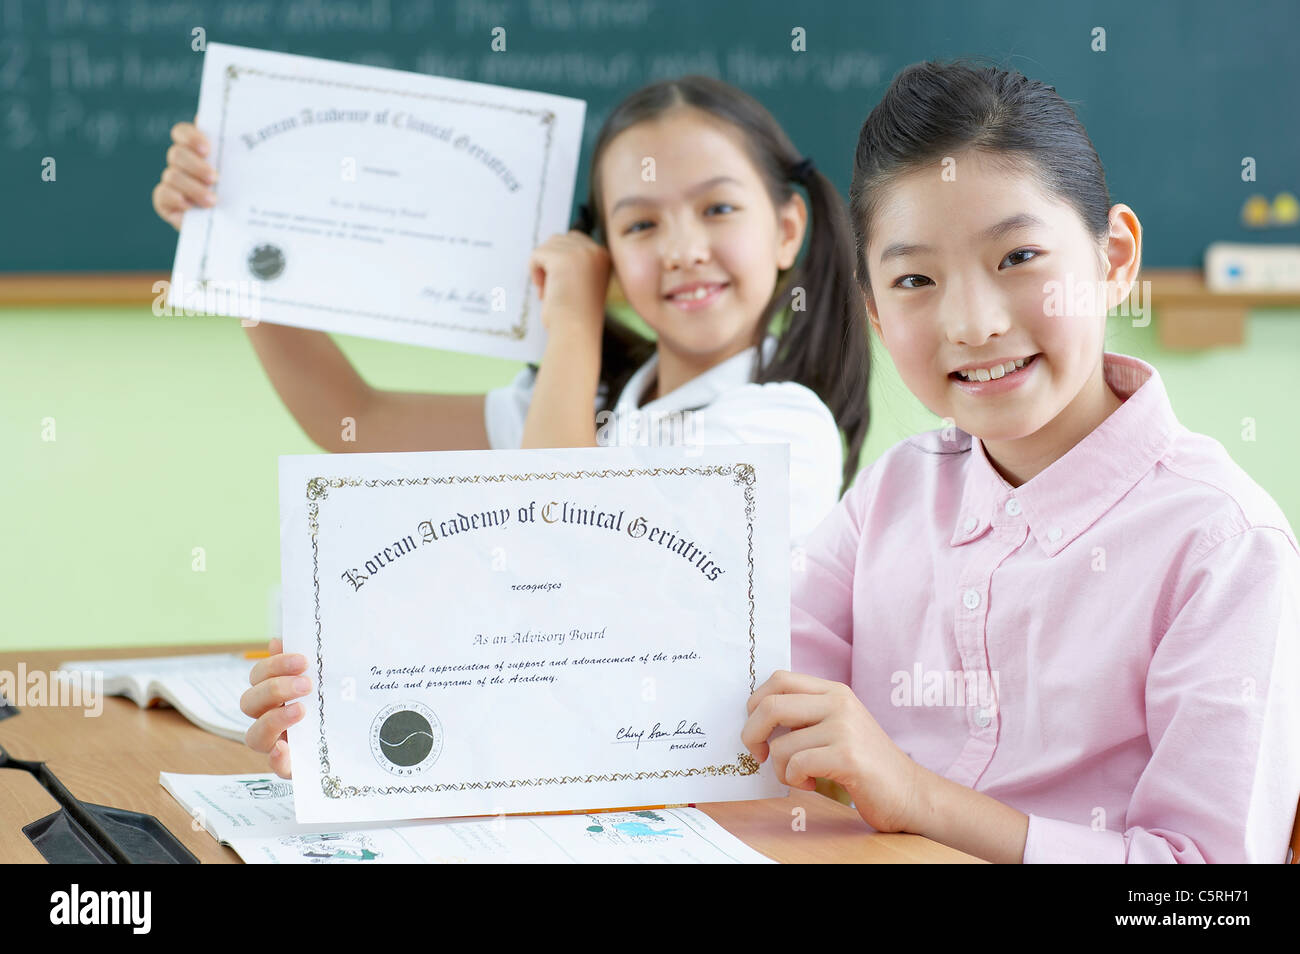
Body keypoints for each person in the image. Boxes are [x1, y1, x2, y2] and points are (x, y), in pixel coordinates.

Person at [164, 76, 872, 778]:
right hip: (563, 782)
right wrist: (228, 245)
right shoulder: (588, 398)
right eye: (641, 224)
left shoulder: (784, 424)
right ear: (607, 256)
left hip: (704, 809)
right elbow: (351, 416)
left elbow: (557, 536)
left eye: (717, 207)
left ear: (786, 230)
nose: (683, 248)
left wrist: (571, 320)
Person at [742, 60, 1300, 863]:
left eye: (1016, 259)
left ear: (1114, 260)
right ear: (874, 310)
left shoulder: (1223, 545)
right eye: (914, 279)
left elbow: (1203, 896)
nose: (971, 322)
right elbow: (753, 685)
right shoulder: (895, 491)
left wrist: (916, 798)